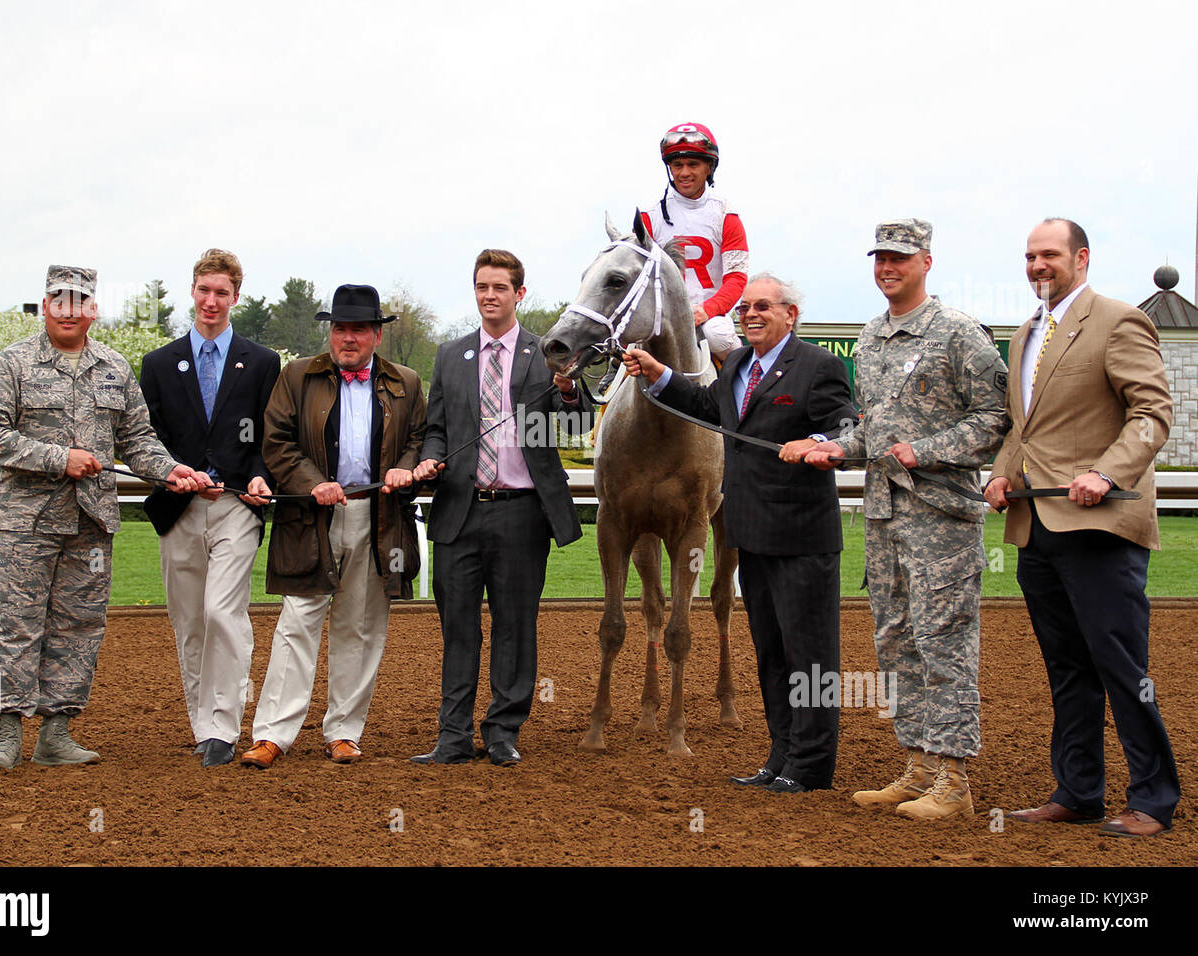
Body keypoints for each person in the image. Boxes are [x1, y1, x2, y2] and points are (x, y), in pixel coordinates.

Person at [805, 220, 1008, 820]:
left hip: (940, 517)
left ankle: (954, 781)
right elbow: (875, 427)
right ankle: (917, 766)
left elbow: (997, 417)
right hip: (883, 516)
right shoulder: (870, 338)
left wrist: (931, 449)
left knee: (942, 643)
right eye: (879, 259)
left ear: (925, 261)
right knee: (895, 643)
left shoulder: (960, 334)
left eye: (898, 258)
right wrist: (839, 449)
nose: (886, 268)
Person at [622, 273, 856, 793]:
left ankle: (812, 765)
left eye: (763, 306)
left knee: (809, 658)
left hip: (803, 538)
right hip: (751, 536)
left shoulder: (820, 366)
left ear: (789, 314)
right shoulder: (738, 370)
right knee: (772, 655)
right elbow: (708, 409)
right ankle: (780, 756)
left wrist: (818, 440)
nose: (750, 314)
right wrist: (660, 374)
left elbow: (846, 426)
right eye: (745, 306)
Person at [985, 218, 1178, 837]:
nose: (1038, 265)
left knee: (1122, 667)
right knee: (1067, 668)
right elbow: (1025, 428)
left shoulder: (1119, 320)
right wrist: (1000, 475)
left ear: (1081, 258)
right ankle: (1078, 791)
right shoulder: (1024, 336)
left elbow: (1152, 414)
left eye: (1049, 255)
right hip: (1036, 526)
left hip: (1100, 526)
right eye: (1030, 256)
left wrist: (1106, 471)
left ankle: (1153, 797)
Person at [0, 265, 208, 770]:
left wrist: (171, 471)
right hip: (23, 524)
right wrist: (61, 458)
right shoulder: (11, 364)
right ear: (45, 305)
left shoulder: (114, 368)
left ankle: (56, 733)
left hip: (90, 525)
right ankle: (7, 734)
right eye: (60, 299)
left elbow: (138, 441)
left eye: (80, 301)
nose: (69, 309)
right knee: (15, 625)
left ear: (93, 310)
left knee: (79, 628)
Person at [410, 249, 590, 766]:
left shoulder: (549, 354)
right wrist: (430, 461)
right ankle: (452, 736)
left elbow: (575, 430)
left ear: (519, 294)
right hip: (459, 510)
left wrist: (570, 390)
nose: (490, 296)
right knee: (457, 626)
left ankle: (503, 731)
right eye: (482, 287)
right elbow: (437, 430)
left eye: (500, 288)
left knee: (515, 625)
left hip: (521, 512)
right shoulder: (450, 355)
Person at [240, 284, 426, 770]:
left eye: (358, 329)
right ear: (331, 331)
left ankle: (344, 731)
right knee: (297, 622)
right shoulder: (298, 376)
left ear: (376, 336)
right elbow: (276, 440)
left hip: (379, 516)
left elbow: (419, 439)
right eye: (340, 328)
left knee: (360, 626)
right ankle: (273, 735)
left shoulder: (406, 382)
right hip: (311, 516)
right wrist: (312, 482)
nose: (348, 338)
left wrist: (405, 467)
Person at [139, 248, 281, 768]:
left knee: (223, 611)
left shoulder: (262, 362)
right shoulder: (157, 364)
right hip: (178, 507)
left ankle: (223, 725)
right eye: (204, 290)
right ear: (192, 292)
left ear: (235, 297)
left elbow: (273, 433)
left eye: (222, 292)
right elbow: (143, 438)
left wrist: (262, 473)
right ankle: (204, 725)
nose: (211, 301)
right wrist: (173, 475)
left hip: (236, 504)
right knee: (189, 621)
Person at [641, 122, 749, 365]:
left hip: (710, 315)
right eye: (677, 165)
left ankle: (746, 391)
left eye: (693, 164)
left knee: (718, 336)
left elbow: (736, 277)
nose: (684, 173)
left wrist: (707, 310)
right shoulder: (650, 215)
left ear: (709, 166)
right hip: (661, 313)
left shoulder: (726, 215)